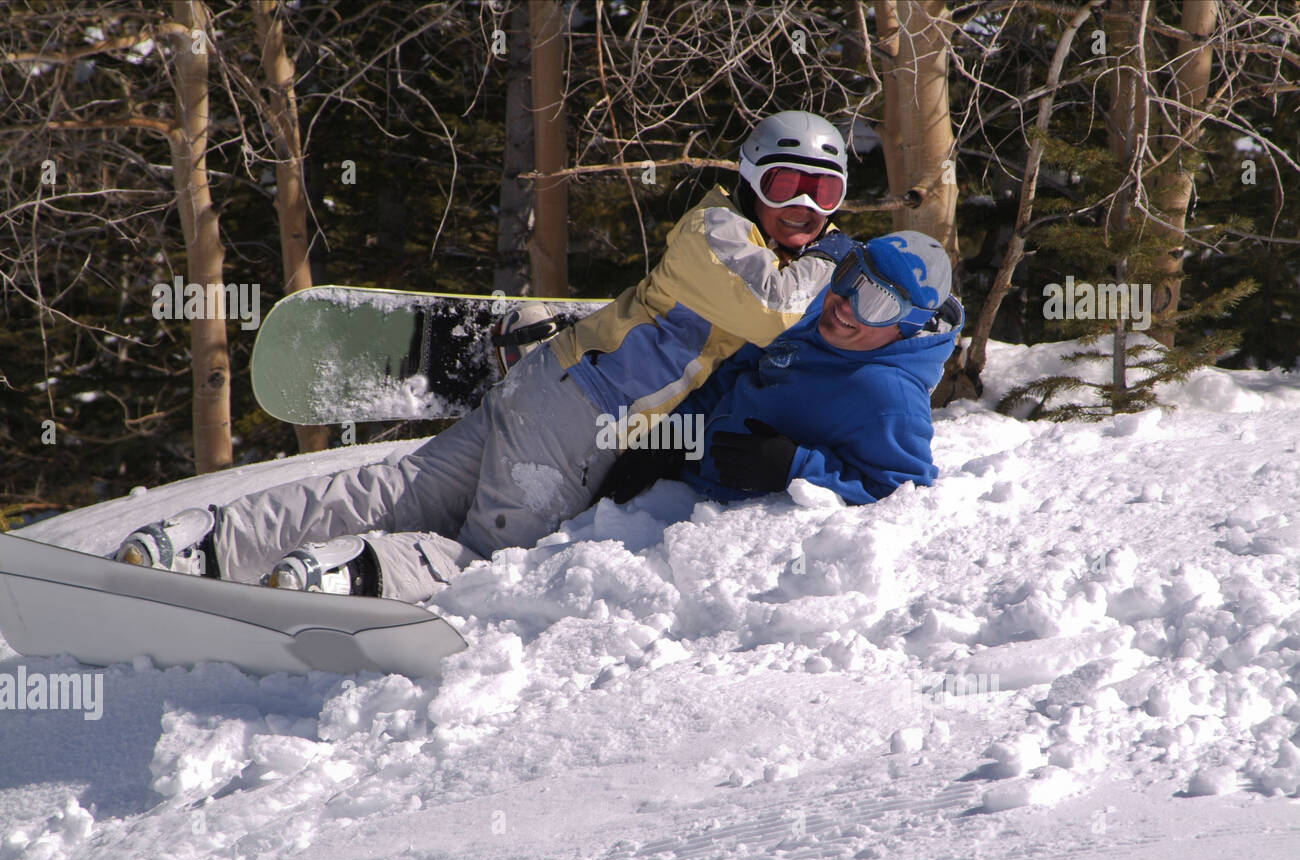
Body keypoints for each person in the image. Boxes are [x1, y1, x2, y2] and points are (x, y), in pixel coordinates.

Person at [116, 110, 858, 602]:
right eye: (788, 183)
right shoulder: (721, 233)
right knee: (482, 556)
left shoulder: (754, 242)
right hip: (577, 421)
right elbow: (776, 307)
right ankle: (337, 577)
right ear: (751, 179)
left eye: (825, 191)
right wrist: (842, 257)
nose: (806, 207)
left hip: (548, 391)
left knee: (392, 488)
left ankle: (204, 542)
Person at [596, 230, 963, 506]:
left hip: (744, 543)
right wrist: (673, 440)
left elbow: (904, 494)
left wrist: (796, 467)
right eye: (851, 275)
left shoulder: (888, 395)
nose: (846, 304)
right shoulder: (817, 316)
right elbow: (733, 372)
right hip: (688, 486)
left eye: (877, 304)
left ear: (908, 326)